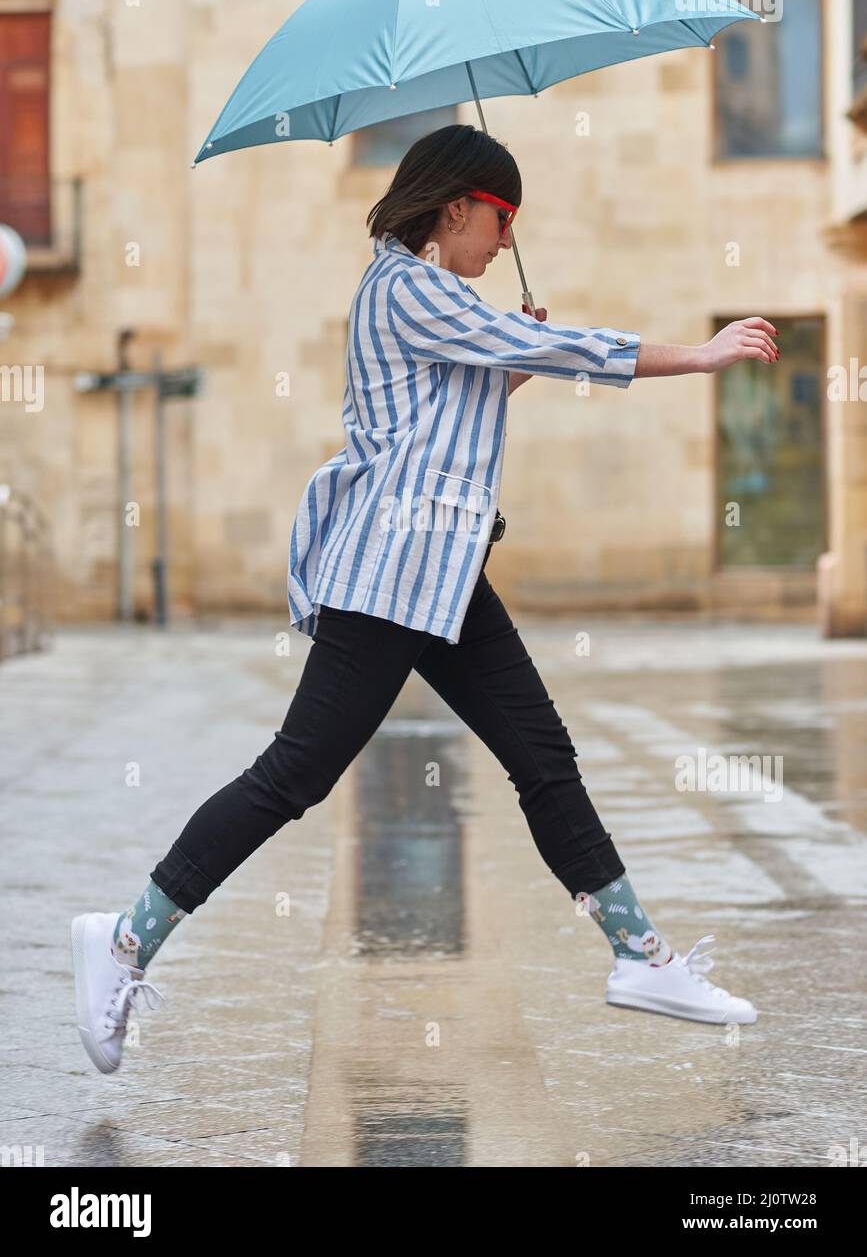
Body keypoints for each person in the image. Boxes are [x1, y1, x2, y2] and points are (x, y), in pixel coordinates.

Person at [71, 124, 780, 1073]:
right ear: (455, 209)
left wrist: (515, 354)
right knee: (294, 775)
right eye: (499, 220)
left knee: (543, 756)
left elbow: (455, 406)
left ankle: (639, 955)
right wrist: (695, 354)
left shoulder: (435, 299)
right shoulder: (407, 287)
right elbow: (564, 350)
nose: (502, 242)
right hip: (388, 576)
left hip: (442, 574)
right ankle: (122, 942)